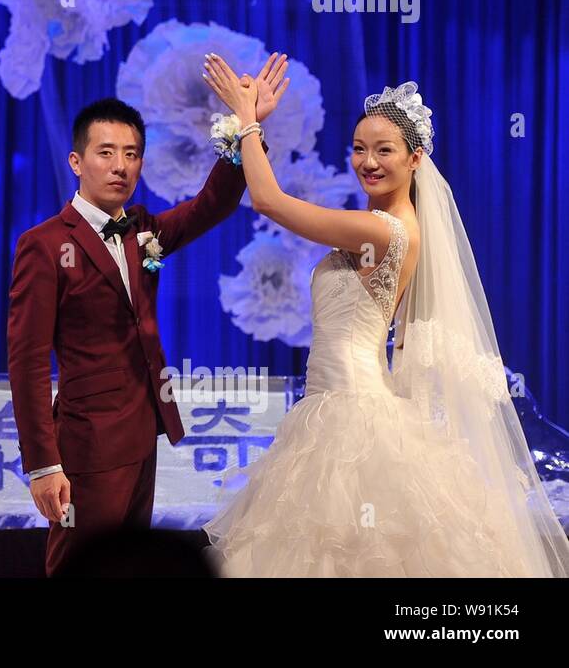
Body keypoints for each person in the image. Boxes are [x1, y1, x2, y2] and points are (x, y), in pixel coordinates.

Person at [200, 60, 569, 576]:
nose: (366, 161)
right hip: (334, 408)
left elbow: (268, 199)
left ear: (416, 158)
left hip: (352, 417)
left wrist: (246, 118)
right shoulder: (382, 226)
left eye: (384, 150)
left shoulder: (387, 232)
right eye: (358, 148)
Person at [7, 55, 287, 576]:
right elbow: (24, 363)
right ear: (76, 161)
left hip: (141, 432)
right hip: (86, 443)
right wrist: (43, 464)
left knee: (126, 570)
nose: (120, 166)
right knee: (78, 567)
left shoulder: (143, 230)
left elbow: (212, 205)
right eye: (106, 152)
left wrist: (248, 125)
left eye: (131, 154)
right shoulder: (44, 245)